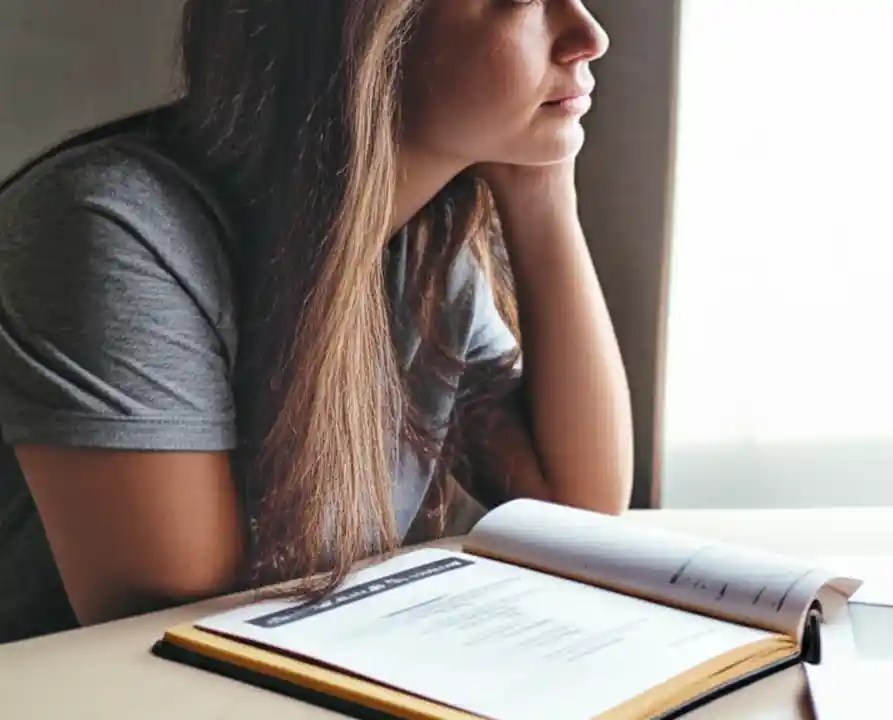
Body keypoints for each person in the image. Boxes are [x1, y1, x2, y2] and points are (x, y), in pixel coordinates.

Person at [0, 0, 633, 645]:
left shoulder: (423, 250)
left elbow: (576, 514)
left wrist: (544, 197)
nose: (589, 37)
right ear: (363, 33)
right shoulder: (112, 231)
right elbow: (175, 631)